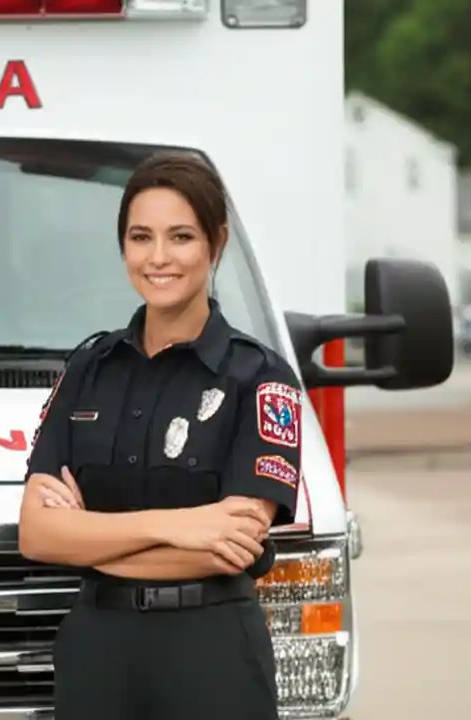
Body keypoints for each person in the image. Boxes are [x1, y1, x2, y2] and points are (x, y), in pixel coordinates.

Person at [17, 152, 302, 719]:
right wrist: (182, 525)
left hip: (212, 647)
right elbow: (38, 533)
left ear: (215, 245)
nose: (159, 257)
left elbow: (234, 544)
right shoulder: (88, 369)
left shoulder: (260, 377)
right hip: (99, 649)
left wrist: (91, 535)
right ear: (123, 247)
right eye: (141, 237)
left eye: (181, 237)